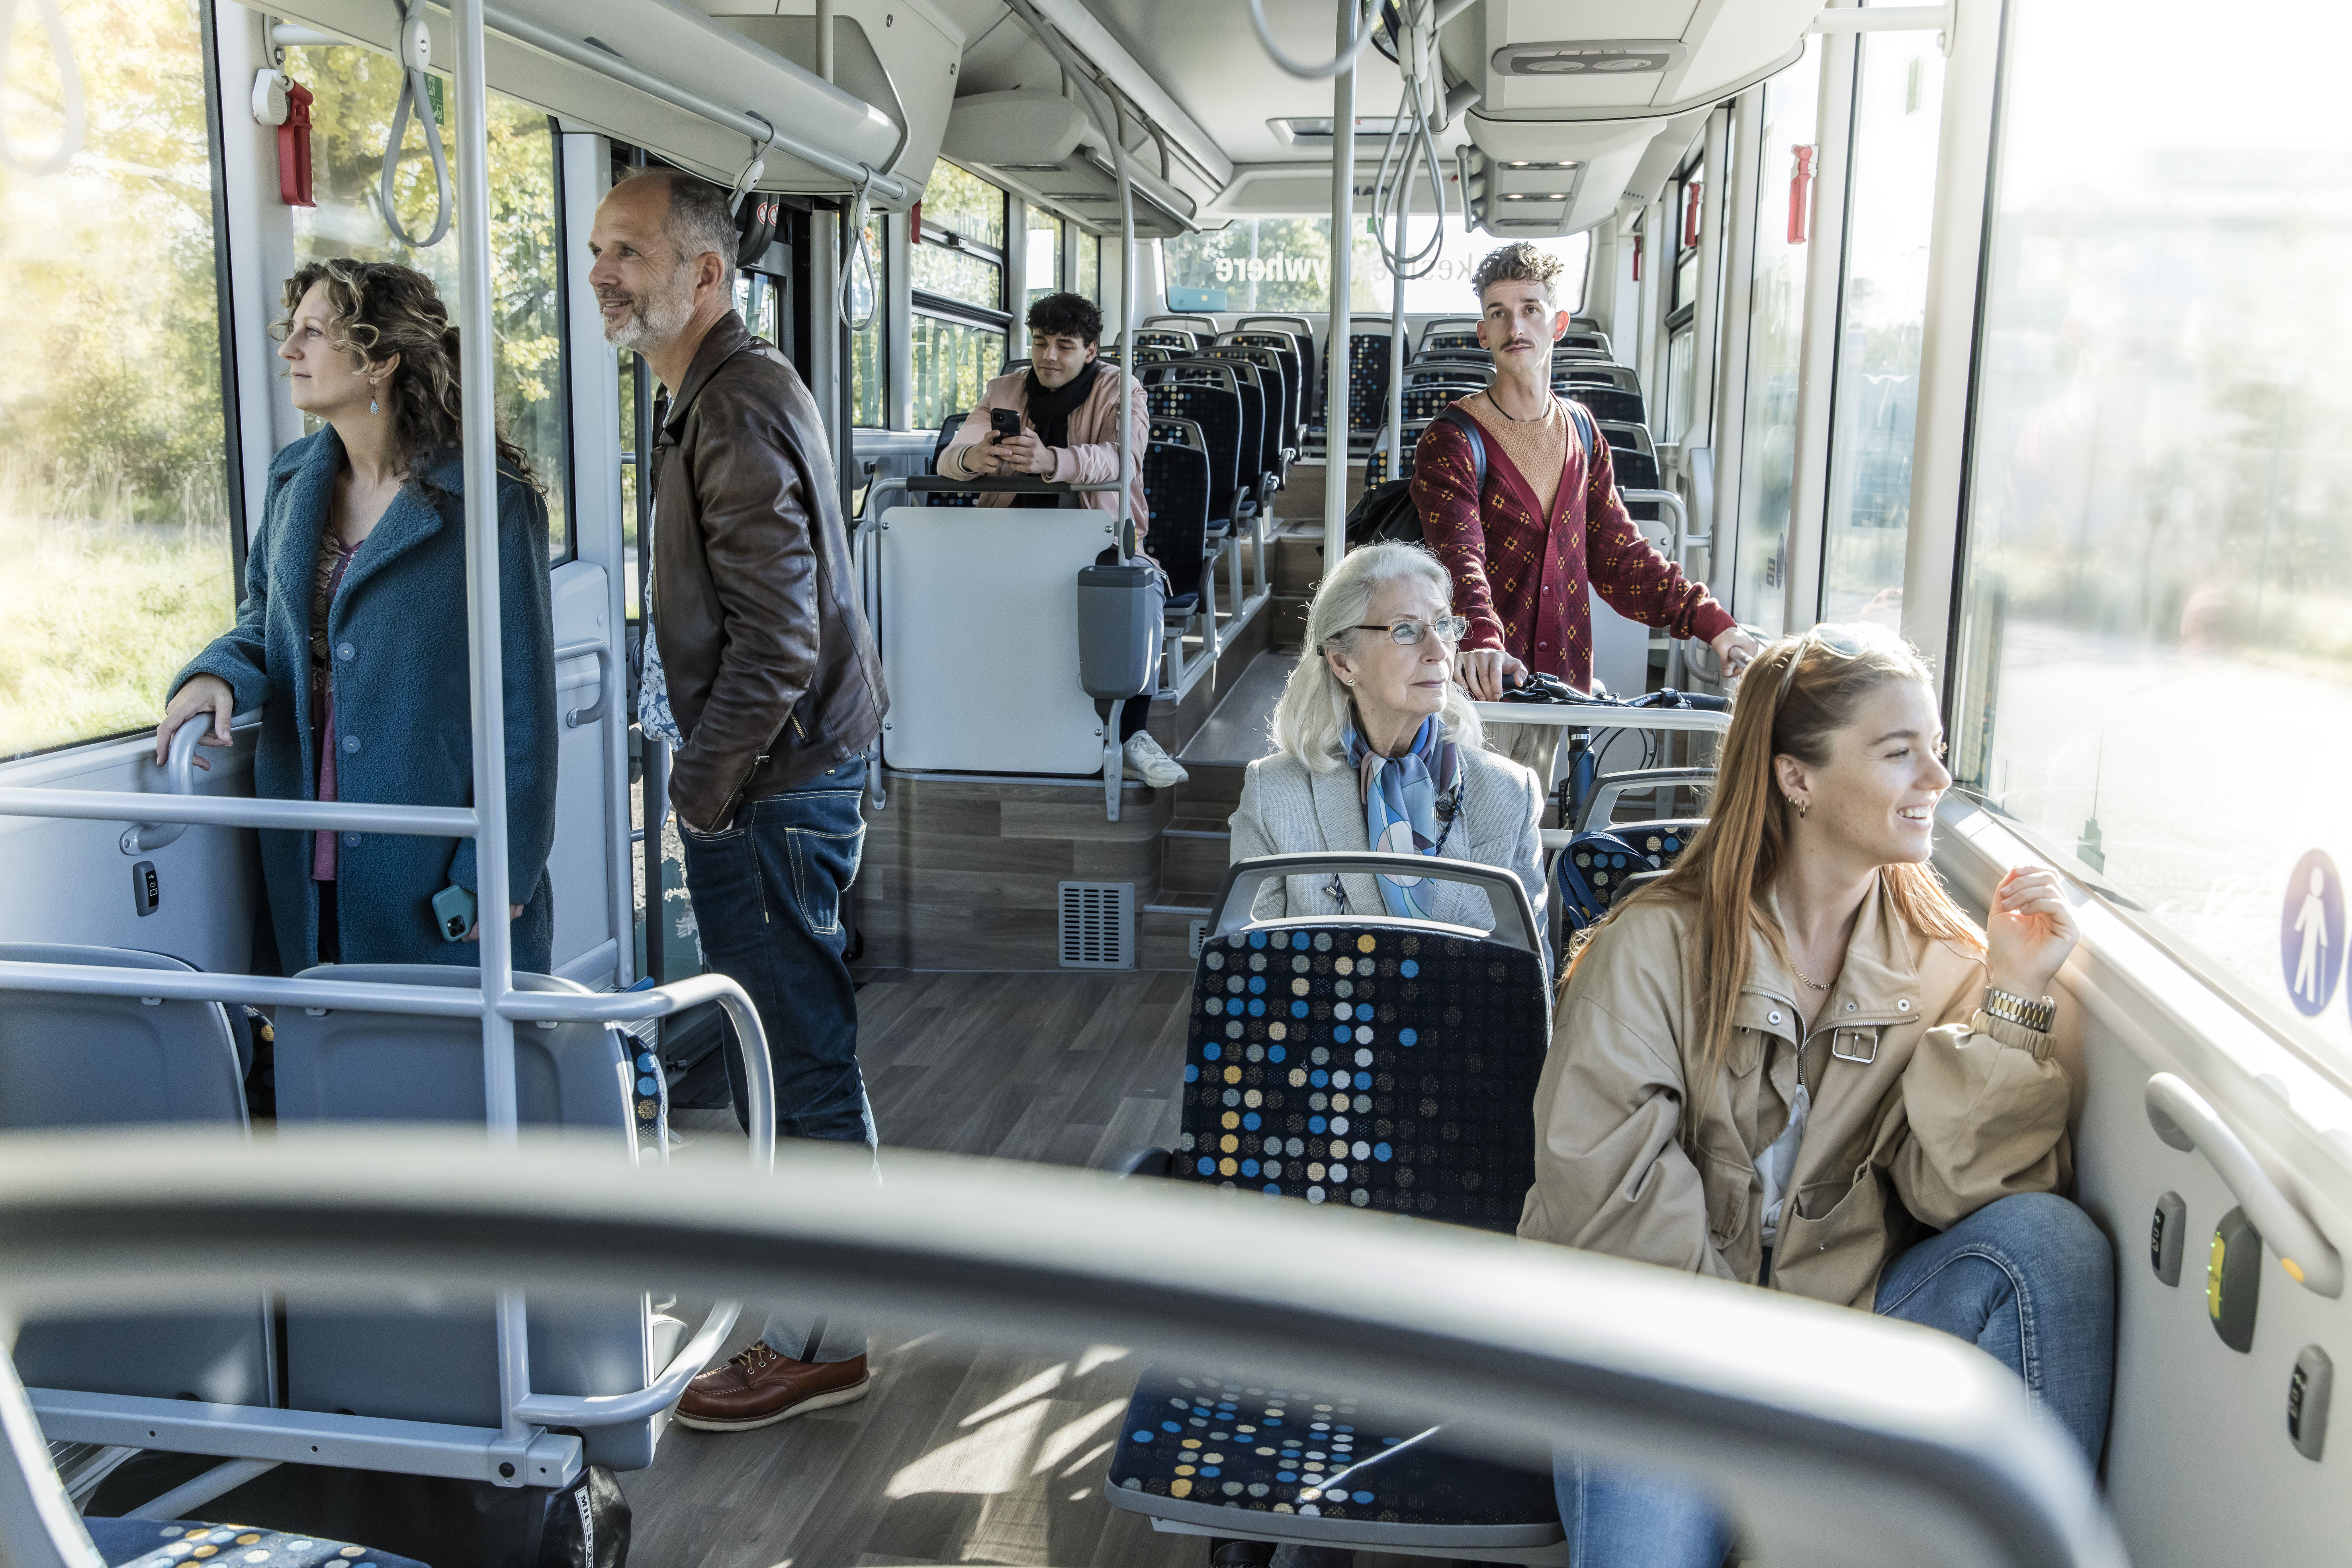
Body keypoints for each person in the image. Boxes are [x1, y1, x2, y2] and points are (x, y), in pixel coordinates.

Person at [1522, 622, 2113, 1567]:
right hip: (1655, 1351)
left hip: (1836, 1332)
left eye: (1938, 750)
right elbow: (1606, 1197)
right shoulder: (1651, 947)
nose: (1935, 778)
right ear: (1795, 777)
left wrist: (2011, 997)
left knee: (2049, 1245)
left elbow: (1948, 1191)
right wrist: (1761, 1383)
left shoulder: (1939, 963)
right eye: (1898, 752)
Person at [587, 166, 886, 1429]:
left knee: (795, 1058)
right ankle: (825, 1309)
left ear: (705, 275)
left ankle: (817, 1336)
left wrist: (701, 796)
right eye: (600, 250)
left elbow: (777, 637)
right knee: (801, 1043)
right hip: (790, 770)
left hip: (771, 782)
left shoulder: (726, 407)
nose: (604, 274)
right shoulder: (719, 391)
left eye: (632, 255)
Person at [157, 259, 556, 973]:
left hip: (431, 842)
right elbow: (264, 618)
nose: (290, 351)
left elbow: (522, 704)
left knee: (442, 1069)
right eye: (293, 331)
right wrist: (216, 676)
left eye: (313, 333)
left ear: (379, 362)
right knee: (324, 1054)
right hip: (307, 823)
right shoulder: (291, 480)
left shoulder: (489, 504)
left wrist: (496, 866)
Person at [1410, 242, 1762, 781]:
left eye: (1530, 309)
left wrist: (1713, 624)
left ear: (1558, 324)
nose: (1514, 327)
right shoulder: (1453, 438)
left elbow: (1618, 555)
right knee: (1467, 835)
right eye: (1498, 313)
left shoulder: (1580, 431)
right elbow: (1459, 557)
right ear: (1483, 333)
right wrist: (1480, 637)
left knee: (1532, 826)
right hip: (1479, 684)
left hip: (1557, 683)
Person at [1230, 542, 1544, 946]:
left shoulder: (1509, 792)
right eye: (1405, 630)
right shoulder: (1272, 795)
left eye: (1443, 625)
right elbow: (1251, 966)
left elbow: (1533, 972)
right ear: (1344, 662)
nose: (1437, 652)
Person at [937, 290, 1187, 789]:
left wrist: (1053, 461)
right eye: (1040, 343)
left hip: (1096, 536)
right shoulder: (1004, 390)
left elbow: (1122, 461)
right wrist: (973, 460)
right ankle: (959, 725)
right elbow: (951, 453)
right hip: (1007, 539)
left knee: (1137, 588)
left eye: (1064, 346)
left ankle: (1132, 735)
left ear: (1090, 351)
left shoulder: (1123, 390)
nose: (1049, 356)